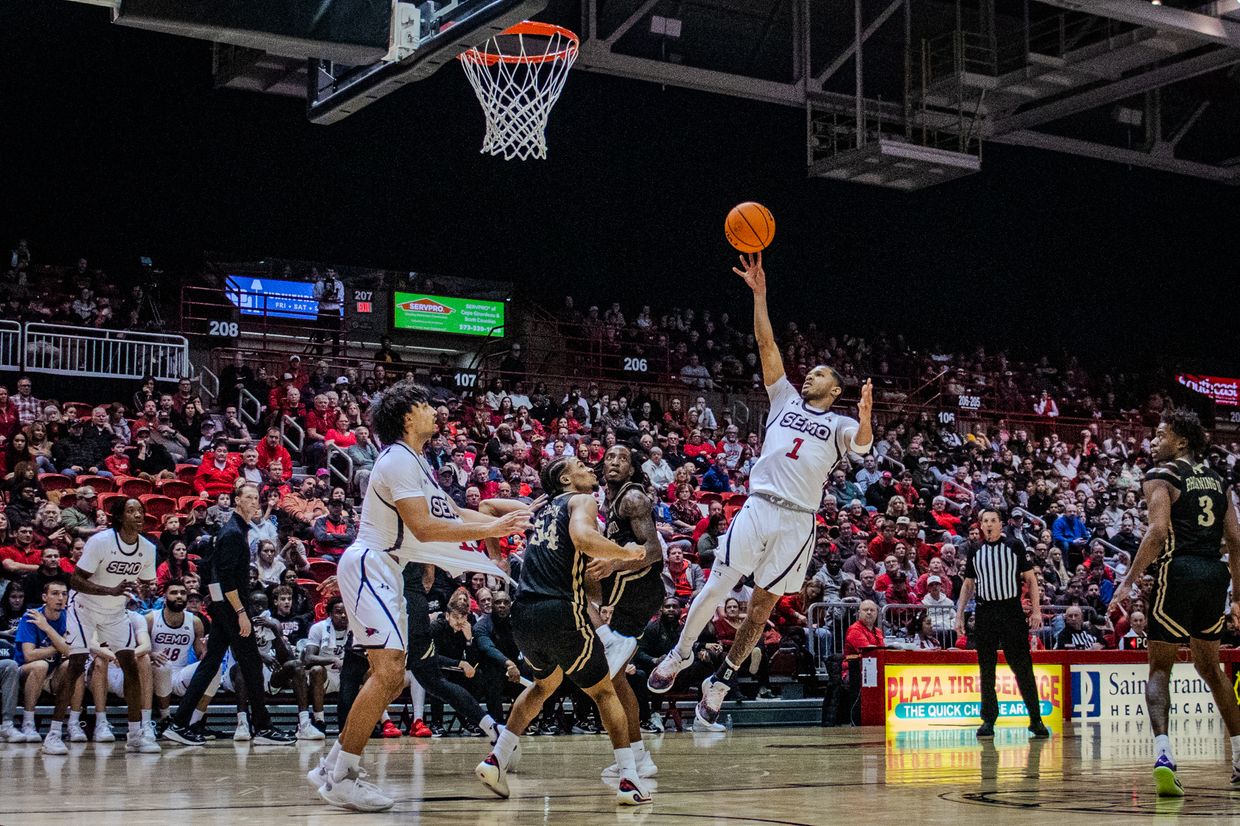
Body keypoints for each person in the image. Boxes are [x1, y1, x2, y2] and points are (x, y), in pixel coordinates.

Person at [647, 252, 873, 735]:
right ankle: (680, 653)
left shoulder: (839, 423)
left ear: (836, 391)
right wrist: (760, 294)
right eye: (809, 371)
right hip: (759, 504)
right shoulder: (785, 397)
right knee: (715, 587)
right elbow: (765, 341)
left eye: (821, 374)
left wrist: (869, 417)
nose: (809, 375)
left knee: (762, 609)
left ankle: (721, 684)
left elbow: (862, 445)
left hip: (798, 522)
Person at [307, 381, 530, 813]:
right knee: (390, 674)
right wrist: (488, 531)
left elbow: (452, 513)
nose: (435, 411)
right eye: (426, 405)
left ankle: (332, 765)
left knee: (389, 673)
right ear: (408, 416)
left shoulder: (417, 462)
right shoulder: (394, 461)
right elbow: (425, 527)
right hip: (372, 563)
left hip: (386, 568)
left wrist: (508, 518)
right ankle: (344, 778)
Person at [474, 455, 649, 805]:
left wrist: (496, 556)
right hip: (559, 609)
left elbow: (487, 505)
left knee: (544, 685)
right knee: (603, 692)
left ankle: (497, 759)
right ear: (567, 481)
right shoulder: (580, 501)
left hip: (523, 615)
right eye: (580, 466)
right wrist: (627, 554)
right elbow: (583, 537)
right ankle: (630, 777)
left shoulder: (538, 510)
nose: (589, 468)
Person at [1106, 408, 1240, 797]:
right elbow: (1235, 541)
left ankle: (1164, 755)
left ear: (1181, 441)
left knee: (1159, 669)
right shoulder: (1218, 481)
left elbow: (1157, 530)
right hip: (1214, 577)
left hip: (1177, 571)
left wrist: (1128, 582)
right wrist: (1237, 597)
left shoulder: (1161, 476)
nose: (1153, 440)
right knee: (1210, 668)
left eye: (1160, 434)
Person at [163, 484, 296, 747]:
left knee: (211, 663)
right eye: (248, 497)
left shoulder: (235, 531)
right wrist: (238, 612)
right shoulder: (233, 533)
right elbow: (224, 578)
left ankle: (178, 723)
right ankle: (263, 727)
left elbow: (212, 573)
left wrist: (219, 606)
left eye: (256, 498)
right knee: (251, 666)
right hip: (234, 610)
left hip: (225, 609)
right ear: (237, 501)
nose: (254, 502)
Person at [44, 498, 161, 755]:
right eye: (131, 511)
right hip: (84, 607)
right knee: (76, 664)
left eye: (140, 511)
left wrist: (142, 587)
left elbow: (145, 580)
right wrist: (110, 589)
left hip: (116, 610)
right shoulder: (101, 541)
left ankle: (135, 734)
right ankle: (53, 735)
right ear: (119, 517)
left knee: (131, 665)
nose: (138, 515)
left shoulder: (148, 549)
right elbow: (75, 580)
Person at [583, 445, 665, 780]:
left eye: (623, 459)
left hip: (642, 591)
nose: (614, 462)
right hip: (624, 593)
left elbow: (654, 550)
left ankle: (637, 756)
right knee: (614, 682)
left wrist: (613, 562)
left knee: (610, 679)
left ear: (631, 470)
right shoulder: (607, 500)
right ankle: (636, 756)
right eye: (610, 458)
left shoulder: (632, 498)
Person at [953, 508, 1048, 740]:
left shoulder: (1014, 546)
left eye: (993, 520)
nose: (988, 524)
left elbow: (1031, 580)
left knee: (1022, 666)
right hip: (985, 611)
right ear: (981, 525)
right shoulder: (975, 549)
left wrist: (1036, 610)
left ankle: (1035, 719)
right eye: (985, 521)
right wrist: (959, 614)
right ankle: (988, 719)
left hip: (1011, 610)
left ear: (1000, 524)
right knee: (986, 668)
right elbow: (967, 585)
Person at [147, 580, 216, 736]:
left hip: (180, 674)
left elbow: (200, 654)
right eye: (174, 593)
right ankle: (165, 719)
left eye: (182, 593)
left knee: (213, 666)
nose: (179, 596)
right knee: (163, 665)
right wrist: (151, 654)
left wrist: (206, 652)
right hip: (155, 676)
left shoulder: (195, 622)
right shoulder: (151, 618)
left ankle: (194, 722)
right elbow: (140, 647)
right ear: (164, 597)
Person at [13, 580, 71, 743]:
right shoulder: (31, 616)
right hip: (24, 672)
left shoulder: (69, 618)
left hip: (53, 673)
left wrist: (46, 627)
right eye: (55, 594)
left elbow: (69, 653)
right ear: (45, 597)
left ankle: (71, 723)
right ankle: (28, 722)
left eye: (64, 594)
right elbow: (29, 655)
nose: (60, 598)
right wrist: (58, 646)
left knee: (71, 665)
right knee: (40, 665)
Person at [304, 597, 349, 734]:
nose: (343, 615)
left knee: (369, 672)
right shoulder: (318, 628)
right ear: (330, 614)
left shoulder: (356, 628)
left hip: (347, 674)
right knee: (316, 670)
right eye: (338, 612)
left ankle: (375, 721)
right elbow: (308, 658)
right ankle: (319, 720)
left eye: (345, 612)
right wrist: (333, 659)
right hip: (326, 675)